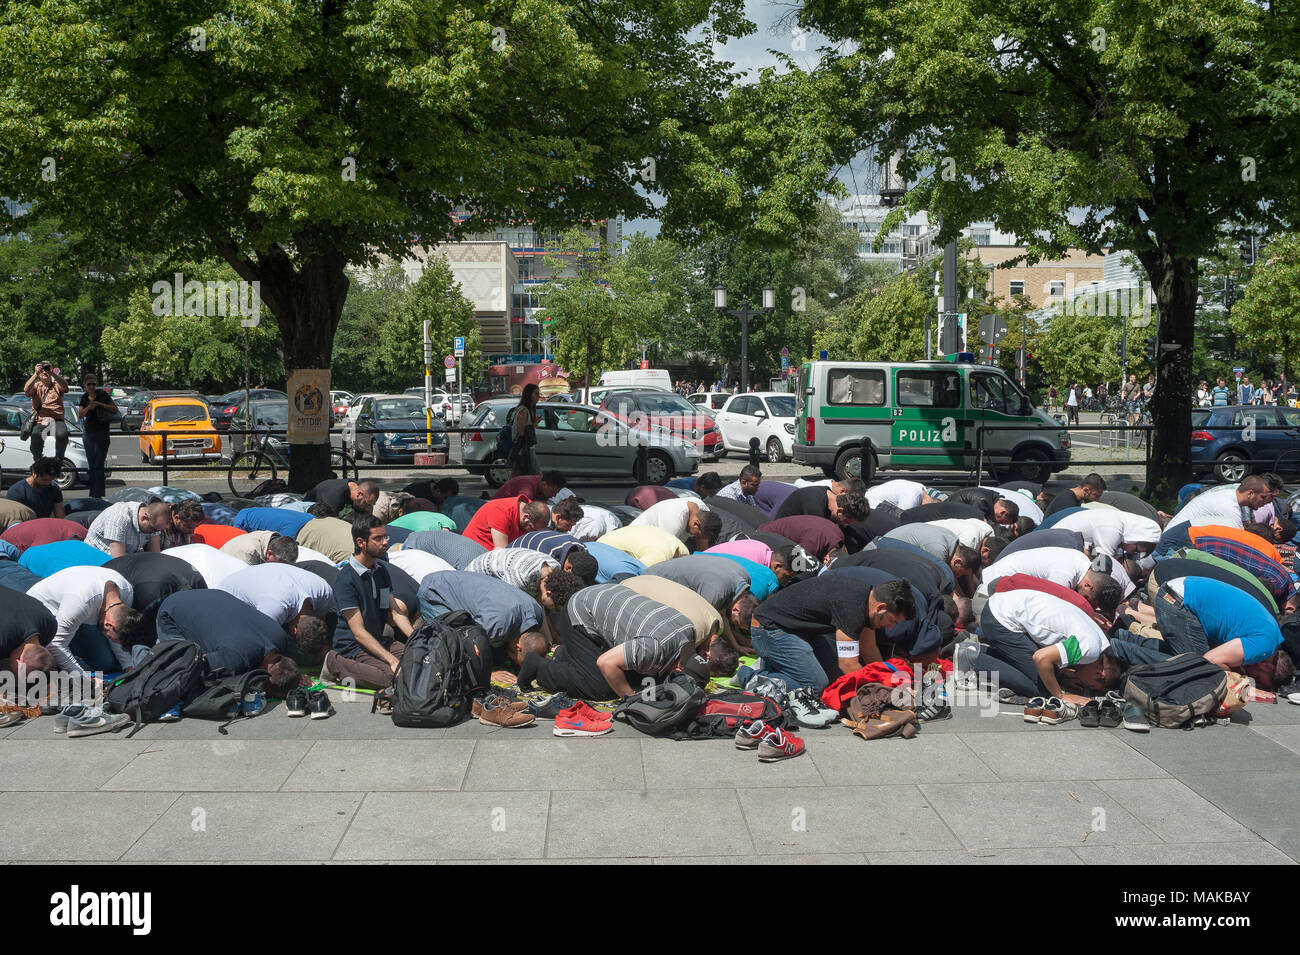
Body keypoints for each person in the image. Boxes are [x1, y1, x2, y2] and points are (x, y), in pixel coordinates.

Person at [515, 583, 702, 700]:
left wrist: (650, 694)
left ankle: (565, 654)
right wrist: (631, 699)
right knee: (599, 687)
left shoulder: (689, 631)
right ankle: (538, 666)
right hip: (582, 610)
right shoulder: (654, 648)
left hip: (610, 595)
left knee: (641, 675)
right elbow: (606, 663)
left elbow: (651, 672)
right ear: (678, 668)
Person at [747, 575, 916, 692]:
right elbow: (848, 665)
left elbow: (869, 649)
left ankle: (776, 664)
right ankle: (751, 675)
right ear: (881, 607)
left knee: (834, 680)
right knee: (816, 685)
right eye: (892, 620)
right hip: (769, 629)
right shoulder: (852, 609)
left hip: (798, 630)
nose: (890, 627)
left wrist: (889, 681)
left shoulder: (866, 601)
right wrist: (877, 692)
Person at [320, 516, 420, 690]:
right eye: (378, 538)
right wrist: (392, 659)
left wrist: (417, 639)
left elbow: (396, 613)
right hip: (353, 647)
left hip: (378, 639)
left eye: (385, 537)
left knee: (422, 661)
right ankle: (333, 663)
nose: (385, 543)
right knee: (393, 677)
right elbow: (358, 633)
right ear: (361, 542)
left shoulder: (380, 571)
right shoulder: (346, 580)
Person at [155, 590, 306, 695]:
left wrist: (294, 676)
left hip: (210, 595)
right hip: (172, 612)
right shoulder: (236, 658)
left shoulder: (280, 637)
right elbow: (196, 665)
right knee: (180, 668)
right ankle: (141, 654)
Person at [25, 566, 146, 674]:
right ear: (109, 624)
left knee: (106, 662)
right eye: (109, 637)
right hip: (43, 610)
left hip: (80, 613)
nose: (111, 639)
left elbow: (117, 638)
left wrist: (129, 667)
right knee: (101, 663)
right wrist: (83, 679)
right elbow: (56, 644)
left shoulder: (126, 594)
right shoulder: (80, 603)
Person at [76, 373, 117, 498]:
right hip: (88, 433)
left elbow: (114, 409)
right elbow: (80, 415)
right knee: (92, 466)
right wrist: (89, 407)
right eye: (89, 384)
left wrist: (100, 404)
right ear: (85, 385)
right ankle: (92, 493)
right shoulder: (84, 397)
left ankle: (98, 495)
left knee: (99, 465)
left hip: (102, 432)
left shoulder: (102, 394)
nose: (92, 386)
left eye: (94, 384)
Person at [84, 500, 171, 557]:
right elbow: (119, 561)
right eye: (154, 530)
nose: (155, 533)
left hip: (125, 556)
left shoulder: (154, 523)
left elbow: (155, 556)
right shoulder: (119, 518)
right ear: (144, 518)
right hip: (94, 557)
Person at [23, 360, 70, 465]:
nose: (45, 372)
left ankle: (58, 460)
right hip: (41, 419)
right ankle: (39, 460)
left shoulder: (57, 385)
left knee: (62, 435)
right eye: (42, 370)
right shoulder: (36, 385)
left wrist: (52, 372)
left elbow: (66, 387)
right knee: (35, 437)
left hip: (57, 419)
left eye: (46, 370)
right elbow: (26, 389)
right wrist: (35, 373)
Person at [463, 496, 552, 550]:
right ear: (525, 517)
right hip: (474, 551)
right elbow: (501, 552)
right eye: (532, 528)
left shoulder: (531, 508)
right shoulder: (501, 512)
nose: (531, 533)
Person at [508, 383, 541, 477]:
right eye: (536, 394)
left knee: (516, 476)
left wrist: (534, 424)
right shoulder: (524, 411)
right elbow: (521, 432)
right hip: (524, 449)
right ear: (529, 395)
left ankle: (508, 491)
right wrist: (531, 427)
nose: (538, 396)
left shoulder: (526, 410)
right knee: (537, 476)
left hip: (524, 448)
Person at [304, 478, 379, 518]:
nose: (367, 508)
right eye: (367, 504)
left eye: (371, 505)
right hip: (309, 513)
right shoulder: (334, 498)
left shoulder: (358, 490)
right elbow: (331, 525)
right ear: (359, 494)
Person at [221, 530, 300, 566]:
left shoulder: (273, 539)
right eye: (280, 564)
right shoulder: (248, 551)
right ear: (269, 554)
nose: (282, 568)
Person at [492, 470, 571, 503]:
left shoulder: (543, 488)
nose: (554, 496)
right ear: (544, 484)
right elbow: (522, 509)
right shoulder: (527, 489)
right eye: (552, 492)